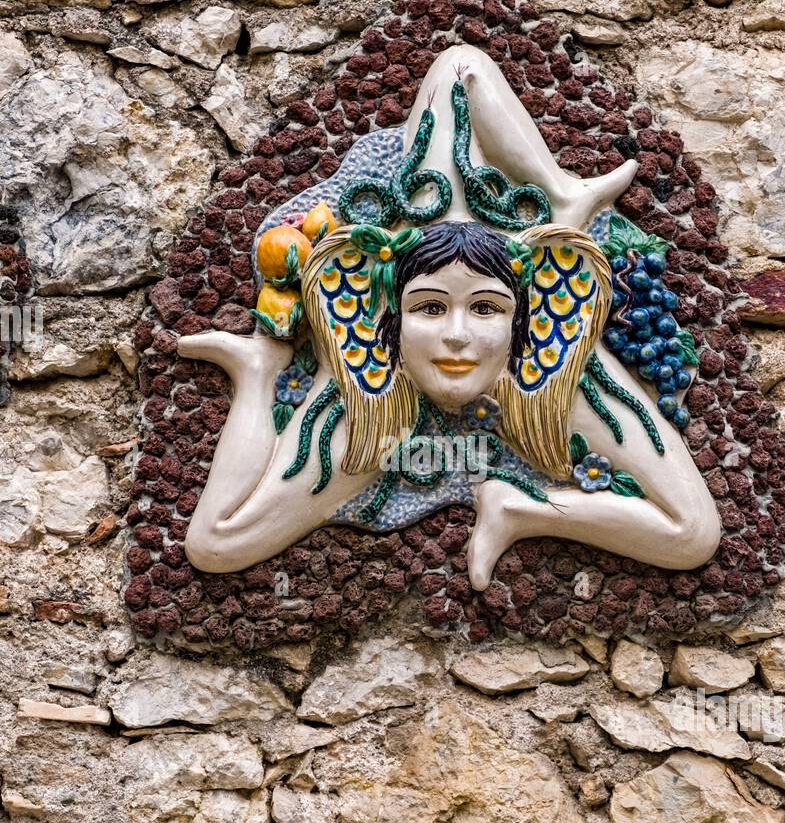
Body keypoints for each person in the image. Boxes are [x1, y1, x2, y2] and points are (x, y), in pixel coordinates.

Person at [178, 45, 720, 589]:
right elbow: (214, 543)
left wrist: (562, 197)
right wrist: (259, 376)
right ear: (381, 320)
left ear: (530, 318)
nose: (457, 336)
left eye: (486, 309)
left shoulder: (567, 385)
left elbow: (689, 533)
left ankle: (513, 507)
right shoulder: (359, 419)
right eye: (429, 308)